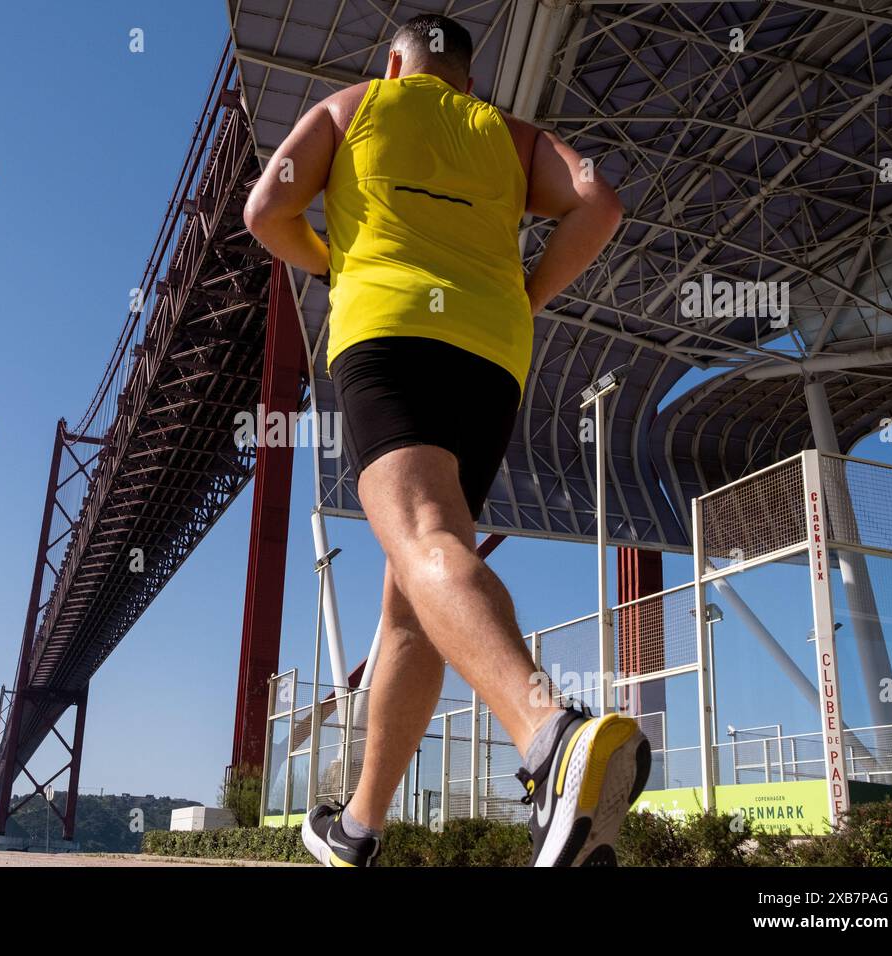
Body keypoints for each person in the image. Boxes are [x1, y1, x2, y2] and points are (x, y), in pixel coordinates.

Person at [243, 13, 650, 867]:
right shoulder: (507, 134)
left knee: (422, 536)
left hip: (389, 333)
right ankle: (359, 825)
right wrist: (525, 295)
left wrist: (331, 263)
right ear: (465, 79)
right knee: (412, 601)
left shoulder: (353, 106)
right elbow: (600, 202)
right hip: (491, 354)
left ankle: (550, 733)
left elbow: (266, 209)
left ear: (397, 62)